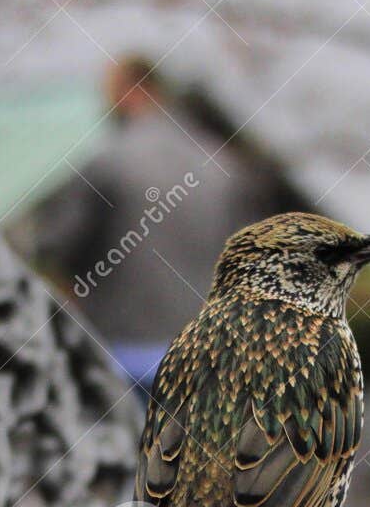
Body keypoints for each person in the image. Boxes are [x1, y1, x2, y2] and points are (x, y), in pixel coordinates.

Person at [23, 56, 311, 390]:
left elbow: (56, 247)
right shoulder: (225, 167)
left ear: (130, 91)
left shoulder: (108, 162)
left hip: (122, 351)